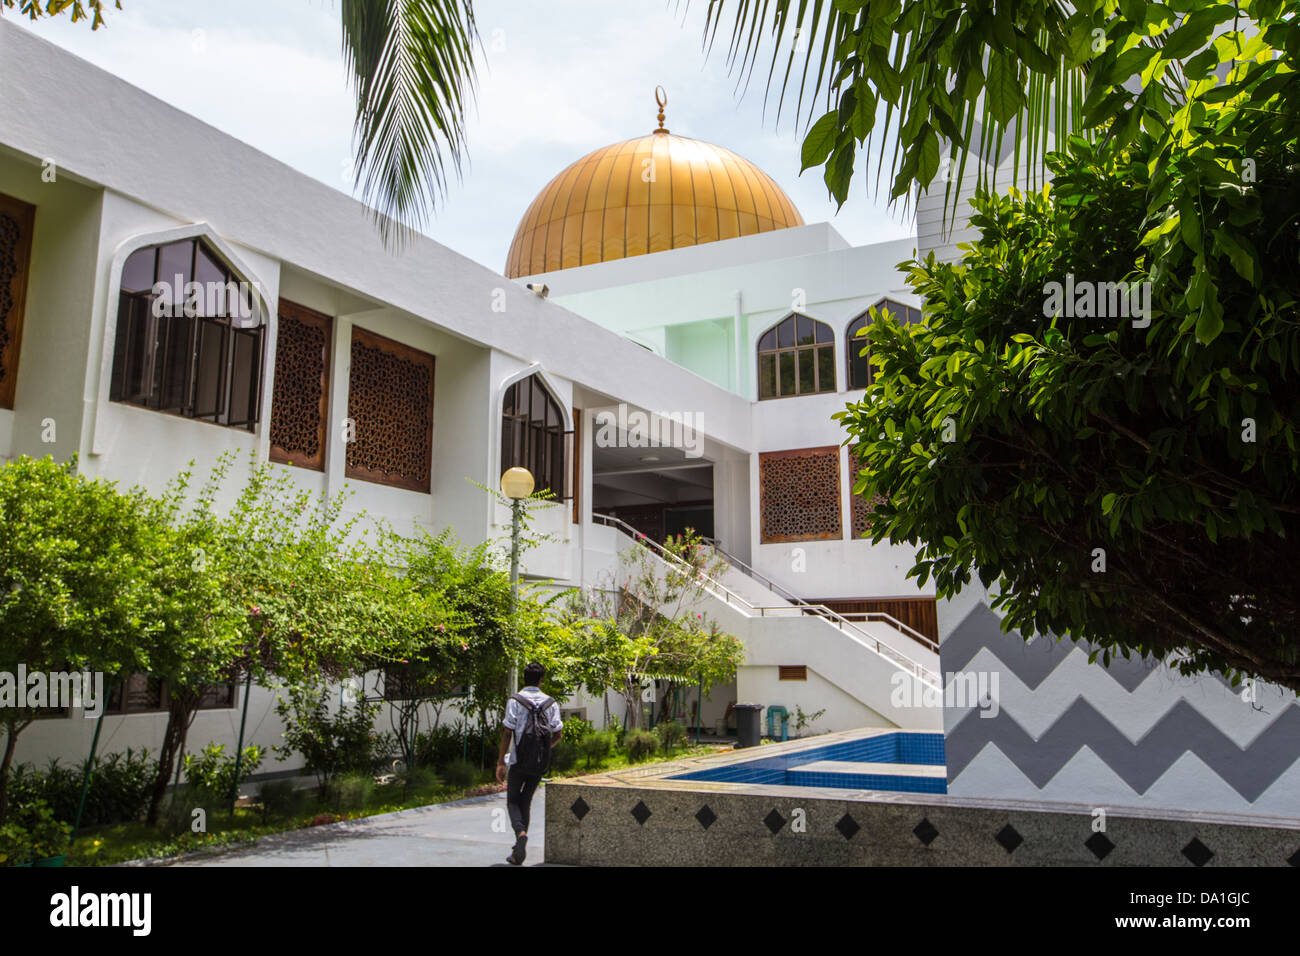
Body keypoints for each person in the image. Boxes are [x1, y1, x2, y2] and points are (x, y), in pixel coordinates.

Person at [495, 661, 563, 865]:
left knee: (513, 801)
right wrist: (543, 749)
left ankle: (521, 834)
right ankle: (518, 854)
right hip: (539, 763)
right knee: (526, 801)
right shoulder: (550, 703)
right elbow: (558, 733)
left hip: (518, 760)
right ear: (542, 680)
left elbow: (508, 733)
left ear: (524, 679)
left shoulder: (515, 700)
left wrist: (500, 762)